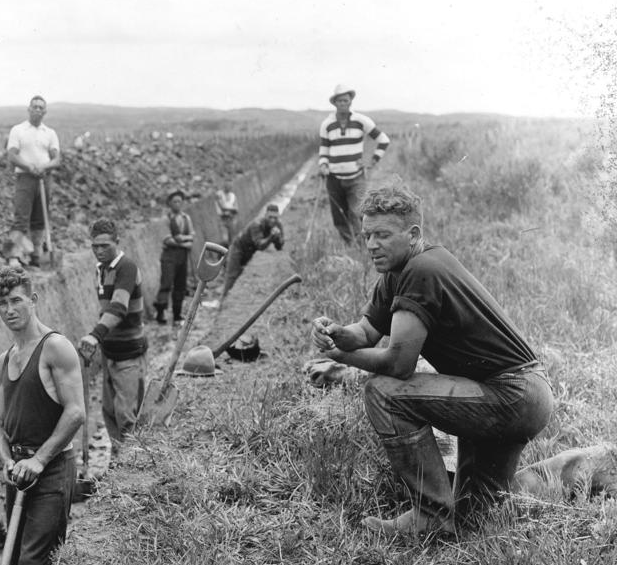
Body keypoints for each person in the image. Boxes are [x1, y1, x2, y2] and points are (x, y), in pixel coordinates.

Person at [310, 186, 553, 537]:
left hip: (512, 395)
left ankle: (430, 514)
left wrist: (339, 356)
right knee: (475, 520)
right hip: (509, 394)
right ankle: (454, 512)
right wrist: (333, 333)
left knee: (384, 391)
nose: (372, 245)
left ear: (413, 235)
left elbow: (399, 364)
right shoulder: (397, 271)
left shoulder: (421, 270)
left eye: (382, 235)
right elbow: (364, 332)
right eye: (367, 236)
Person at [0, 268, 85, 565]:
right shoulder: (4, 361)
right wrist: (6, 461)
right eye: (2, 303)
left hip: (52, 469)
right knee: (16, 562)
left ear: (33, 300)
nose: (9, 309)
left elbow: (75, 412)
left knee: (35, 562)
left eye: (16, 300)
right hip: (18, 471)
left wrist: (40, 459)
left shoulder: (55, 348)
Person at [78, 218, 147, 451]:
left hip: (129, 354)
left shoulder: (126, 267)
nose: (99, 251)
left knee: (127, 416)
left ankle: (131, 469)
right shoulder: (102, 270)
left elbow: (118, 307)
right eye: (95, 246)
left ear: (117, 242)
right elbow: (106, 310)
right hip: (110, 354)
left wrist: (94, 335)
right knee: (109, 413)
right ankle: (118, 465)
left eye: (105, 245)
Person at [317, 83, 390, 243]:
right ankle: (350, 244)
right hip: (333, 179)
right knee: (339, 216)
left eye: (345, 100)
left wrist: (372, 160)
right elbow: (324, 150)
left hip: (356, 178)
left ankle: (364, 245)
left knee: (357, 212)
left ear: (350, 101)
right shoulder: (327, 125)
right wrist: (323, 164)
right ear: (334, 102)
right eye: (339, 101)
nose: (343, 103)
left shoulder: (361, 121)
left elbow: (383, 140)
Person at [5, 96, 61, 267]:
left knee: (39, 218)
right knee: (21, 217)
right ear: (29, 109)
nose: (37, 110)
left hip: (44, 179)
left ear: (44, 112)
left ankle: (36, 254)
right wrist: (29, 167)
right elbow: (12, 155)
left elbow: (57, 159)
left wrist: (45, 166)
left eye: (40, 107)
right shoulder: (18, 130)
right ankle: (13, 256)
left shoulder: (49, 133)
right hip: (25, 178)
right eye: (34, 106)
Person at [222, 203, 284, 297]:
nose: (272, 220)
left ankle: (231, 298)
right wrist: (271, 237)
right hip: (238, 248)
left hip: (250, 251)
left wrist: (278, 237)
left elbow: (279, 247)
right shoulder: (257, 224)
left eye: (275, 218)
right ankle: (223, 301)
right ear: (265, 215)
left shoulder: (278, 224)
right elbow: (260, 245)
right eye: (270, 217)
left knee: (241, 275)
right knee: (232, 275)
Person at [152, 190, 195, 325]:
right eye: (174, 201)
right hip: (169, 256)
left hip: (182, 257)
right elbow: (168, 240)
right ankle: (161, 313)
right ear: (169, 204)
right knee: (166, 284)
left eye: (180, 201)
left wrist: (183, 239)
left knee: (180, 285)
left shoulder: (186, 218)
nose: (177, 204)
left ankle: (177, 314)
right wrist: (185, 243)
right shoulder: (165, 220)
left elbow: (192, 236)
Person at [215, 181, 238, 247]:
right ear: (224, 185)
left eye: (230, 185)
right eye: (228, 185)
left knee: (232, 240)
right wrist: (232, 209)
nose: (229, 186)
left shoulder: (232, 195)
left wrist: (231, 209)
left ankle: (231, 255)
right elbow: (222, 207)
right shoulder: (219, 194)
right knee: (225, 240)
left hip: (231, 219)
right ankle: (223, 254)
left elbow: (237, 209)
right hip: (223, 219)